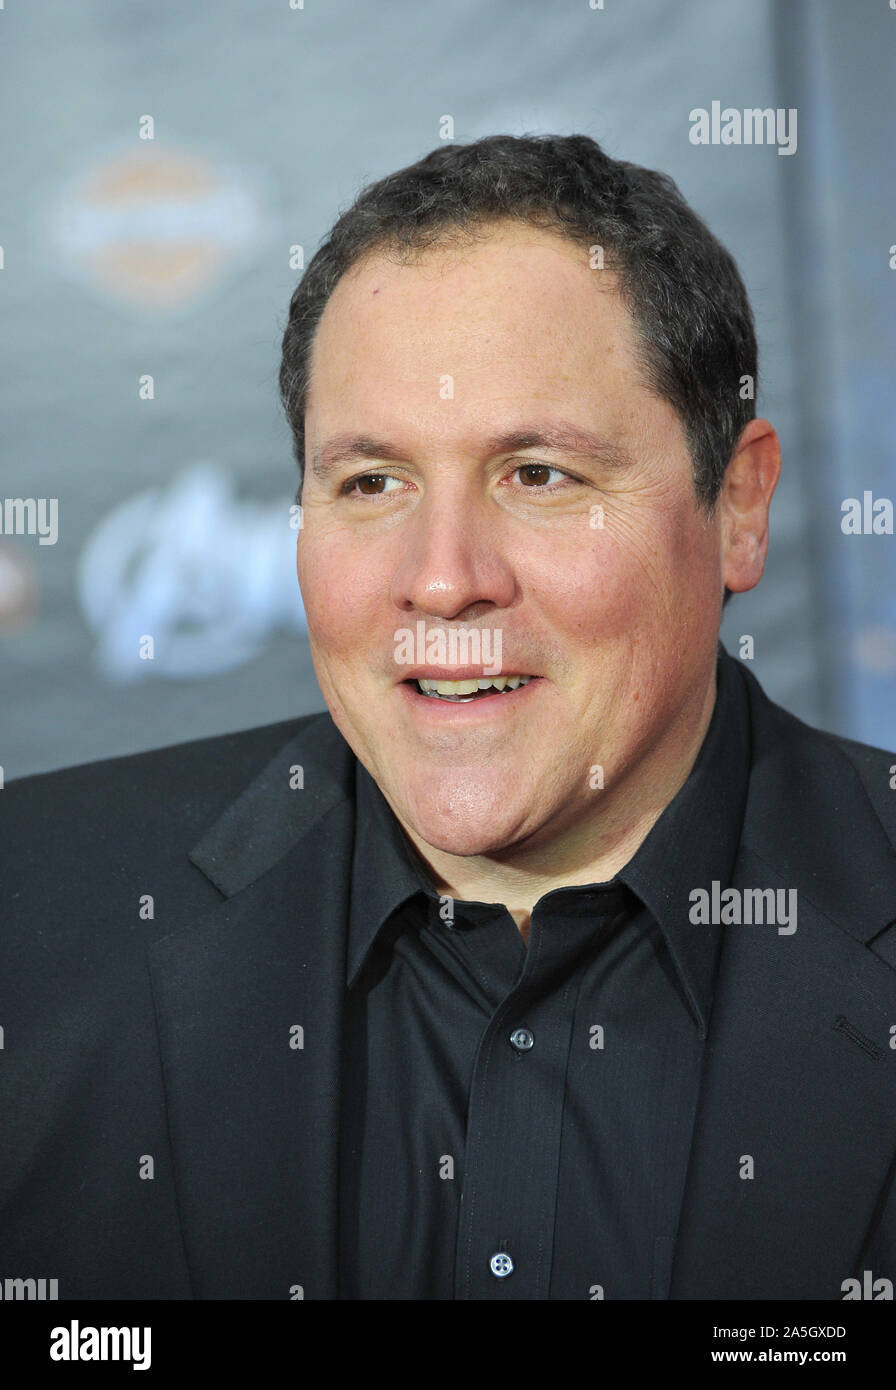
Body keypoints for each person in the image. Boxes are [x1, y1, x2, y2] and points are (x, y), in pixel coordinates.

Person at [2, 134, 894, 1302]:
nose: (440, 578)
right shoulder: (30, 911)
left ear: (735, 502)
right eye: (371, 482)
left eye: (536, 474)